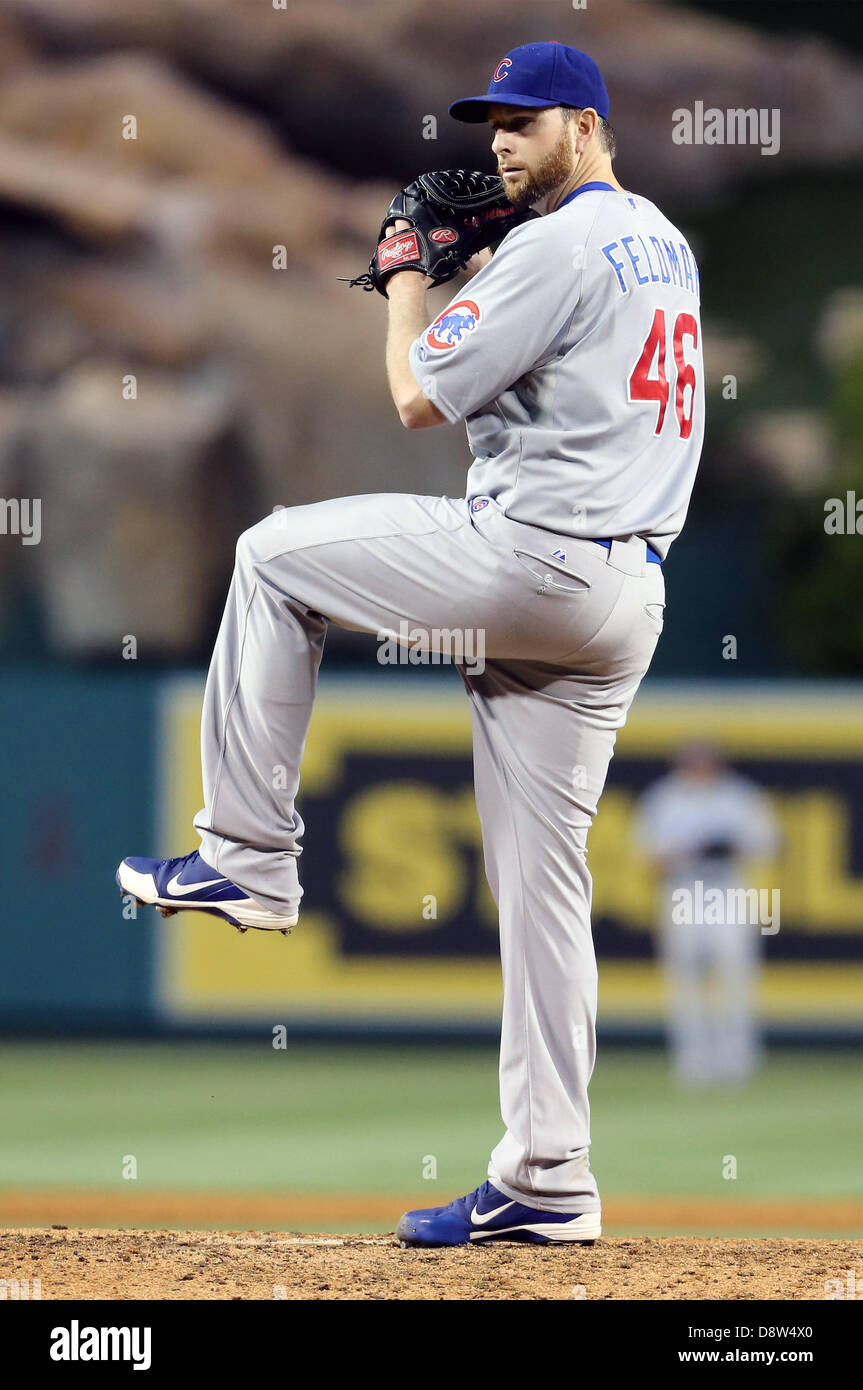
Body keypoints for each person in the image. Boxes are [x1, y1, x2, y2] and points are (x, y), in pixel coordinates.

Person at [117, 42, 705, 1246]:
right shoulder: (659, 239)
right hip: (624, 598)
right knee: (542, 889)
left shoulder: (558, 241)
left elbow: (416, 397)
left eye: (525, 122)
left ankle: (247, 855)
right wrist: (484, 266)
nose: (497, 142)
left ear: (586, 127)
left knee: (273, 554)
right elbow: (567, 363)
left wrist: (405, 280)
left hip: (532, 562)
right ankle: (548, 1176)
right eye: (490, 122)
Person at [633, 741, 781, 1086]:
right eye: (693, 761)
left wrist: (727, 847)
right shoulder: (665, 798)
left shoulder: (738, 796)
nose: (700, 767)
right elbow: (646, 853)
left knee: (735, 976)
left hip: (727, 887)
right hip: (684, 888)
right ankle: (693, 1061)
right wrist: (692, 849)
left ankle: (736, 1058)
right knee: (685, 980)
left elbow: (766, 843)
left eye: (706, 761)